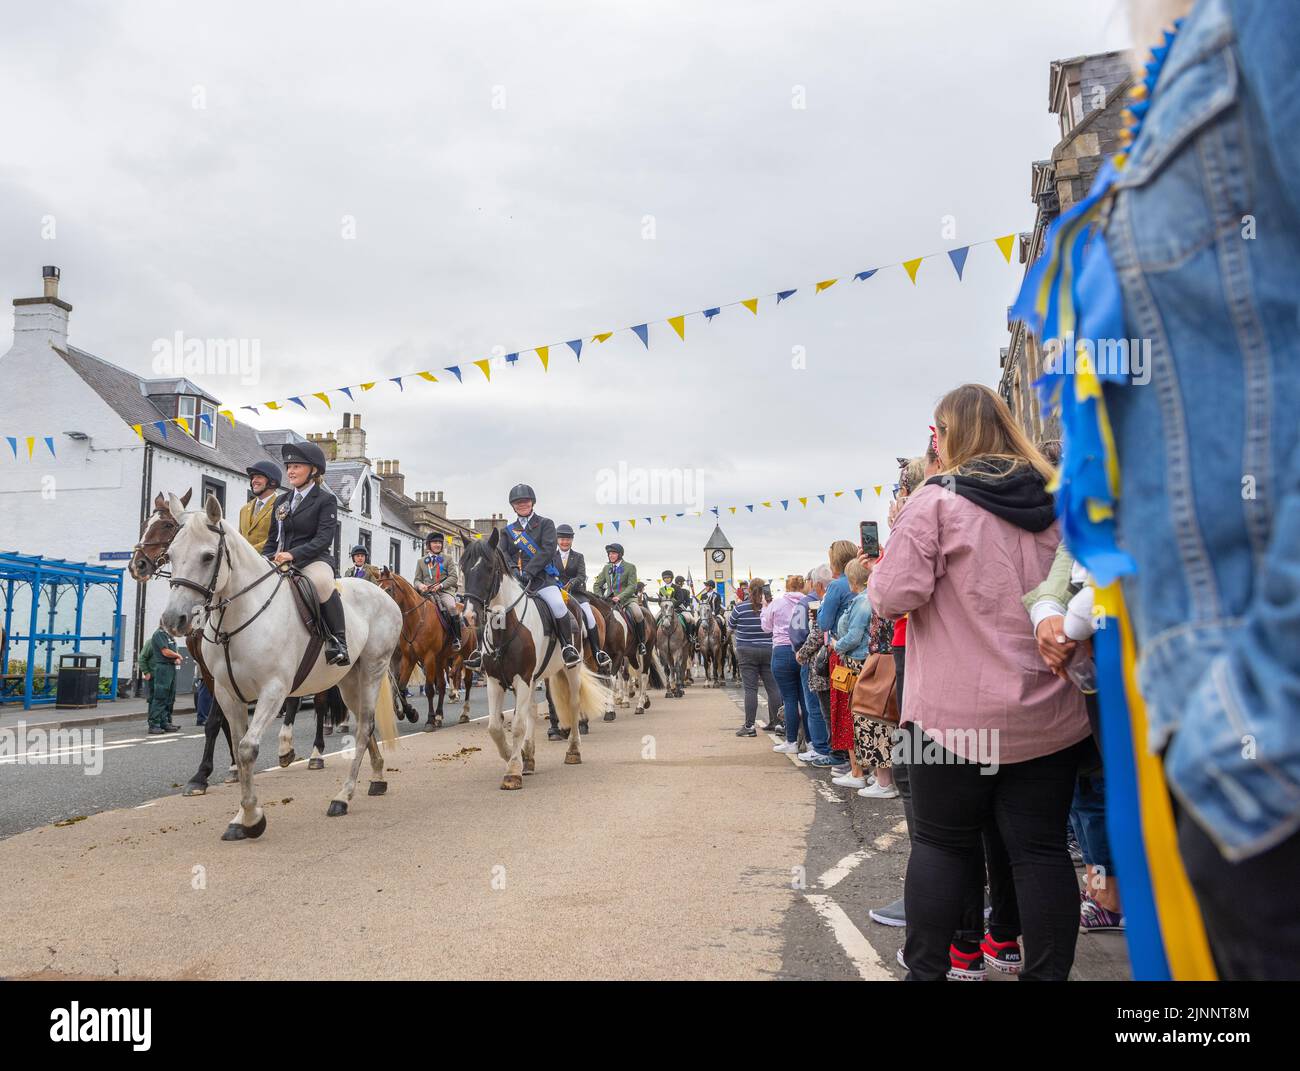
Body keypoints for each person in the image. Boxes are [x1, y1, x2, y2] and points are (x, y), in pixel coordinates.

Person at [869, 383, 1090, 982]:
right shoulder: (1060, 497)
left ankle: (930, 973)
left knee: (942, 847)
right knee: (1040, 852)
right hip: (1049, 710)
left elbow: (890, 597)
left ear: (949, 435)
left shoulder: (937, 500)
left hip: (950, 718)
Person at [261, 439, 348, 665]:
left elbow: (323, 539)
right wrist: (263, 558)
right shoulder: (282, 500)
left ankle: (338, 641)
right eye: (289, 467)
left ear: (314, 470)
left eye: (296, 466)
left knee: (321, 583)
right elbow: (272, 539)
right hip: (280, 561)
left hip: (313, 559)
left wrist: (293, 555)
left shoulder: (326, 500)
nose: (290, 471)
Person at [494, 483, 580, 668]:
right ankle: (489, 650)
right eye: (517, 502)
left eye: (525, 501)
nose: (522, 504)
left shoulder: (545, 524)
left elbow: (548, 550)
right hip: (516, 581)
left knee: (558, 605)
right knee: (497, 608)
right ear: (513, 506)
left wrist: (529, 571)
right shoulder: (508, 531)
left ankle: (567, 647)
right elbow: (503, 552)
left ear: (532, 502)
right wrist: (514, 570)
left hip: (542, 579)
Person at [831, 559, 896, 795]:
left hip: (868, 662)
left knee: (870, 719)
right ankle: (878, 777)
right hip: (875, 659)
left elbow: (855, 635)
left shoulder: (863, 600)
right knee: (872, 718)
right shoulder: (872, 598)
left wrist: (837, 644)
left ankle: (882, 781)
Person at [764, 575, 831, 764]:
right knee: (807, 699)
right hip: (809, 653)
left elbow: (766, 626)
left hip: (786, 651)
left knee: (790, 699)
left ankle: (792, 740)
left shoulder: (779, 603)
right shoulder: (814, 600)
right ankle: (812, 741)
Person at [822, 540, 859, 775]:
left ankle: (847, 761)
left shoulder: (836, 586)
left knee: (842, 707)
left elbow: (824, 623)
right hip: (867, 654)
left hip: (842, 653)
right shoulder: (864, 582)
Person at [554, 523, 612, 672]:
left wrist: (572, 583)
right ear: (557, 540)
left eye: (567, 539)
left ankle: (597, 651)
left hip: (576, 594)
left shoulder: (578, 557)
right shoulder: (550, 556)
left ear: (571, 540)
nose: (564, 542)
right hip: (556, 592)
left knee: (590, 617)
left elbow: (581, 575)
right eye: (561, 539)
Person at [729, 579, 782, 737]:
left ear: (748, 590)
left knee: (750, 690)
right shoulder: (771, 606)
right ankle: (778, 723)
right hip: (768, 649)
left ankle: (750, 726)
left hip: (746, 651)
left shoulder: (740, 608)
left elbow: (730, 626)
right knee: (773, 689)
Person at [592, 544, 646, 654]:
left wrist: (620, 597)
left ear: (620, 554)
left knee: (638, 614)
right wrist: (599, 597)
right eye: (610, 553)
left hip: (627, 600)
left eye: (614, 553)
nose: (611, 555)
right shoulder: (607, 568)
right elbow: (597, 584)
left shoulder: (630, 567)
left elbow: (632, 586)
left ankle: (641, 643)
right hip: (608, 600)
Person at [414, 531, 463, 651]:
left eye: (440, 543)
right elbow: (416, 580)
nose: (438, 545)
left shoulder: (447, 559)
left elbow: (453, 577)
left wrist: (440, 586)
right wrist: (420, 586)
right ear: (429, 545)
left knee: (451, 607)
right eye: (435, 543)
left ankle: (456, 638)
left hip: (444, 591)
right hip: (427, 592)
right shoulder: (421, 562)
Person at [141, 624, 182, 735]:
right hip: (162, 669)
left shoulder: (168, 636)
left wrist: (176, 659)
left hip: (170, 667)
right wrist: (178, 656)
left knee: (169, 697)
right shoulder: (159, 634)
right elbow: (165, 652)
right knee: (160, 697)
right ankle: (154, 724)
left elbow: (171, 653)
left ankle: (165, 722)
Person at [239, 459, 282, 552]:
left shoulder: (281, 507)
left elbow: (277, 539)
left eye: (259, 477)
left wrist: (248, 552)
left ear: (273, 482)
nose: (254, 481)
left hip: (269, 563)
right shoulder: (244, 509)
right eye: (253, 478)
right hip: (242, 563)